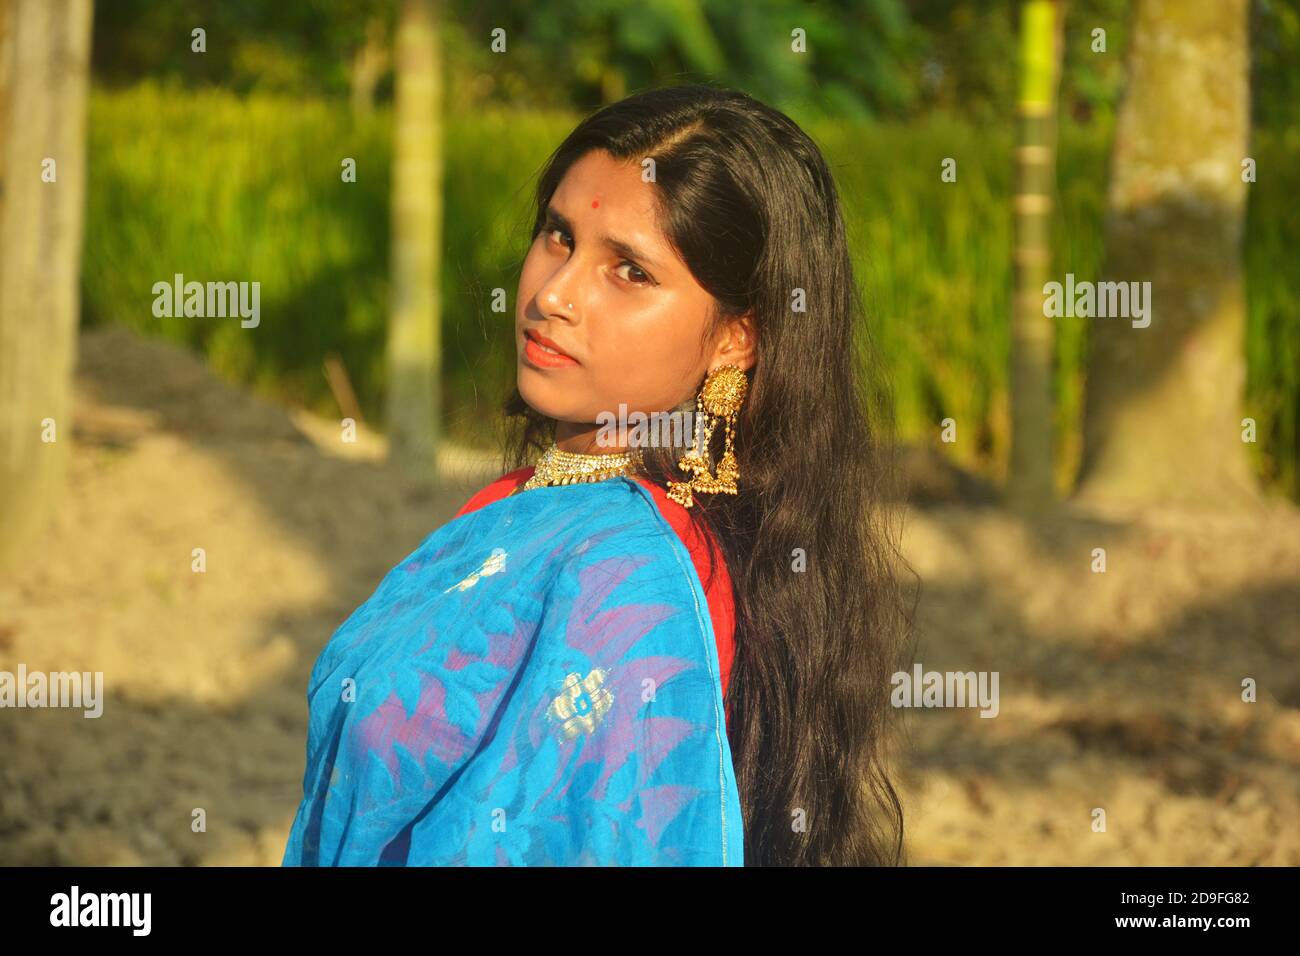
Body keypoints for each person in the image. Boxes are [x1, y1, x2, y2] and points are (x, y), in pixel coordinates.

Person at [282, 83, 911, 867]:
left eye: (630, 271)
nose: (553, 295)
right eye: (559, 236)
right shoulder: (516, 507)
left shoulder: (633, 575)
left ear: (737, 338)